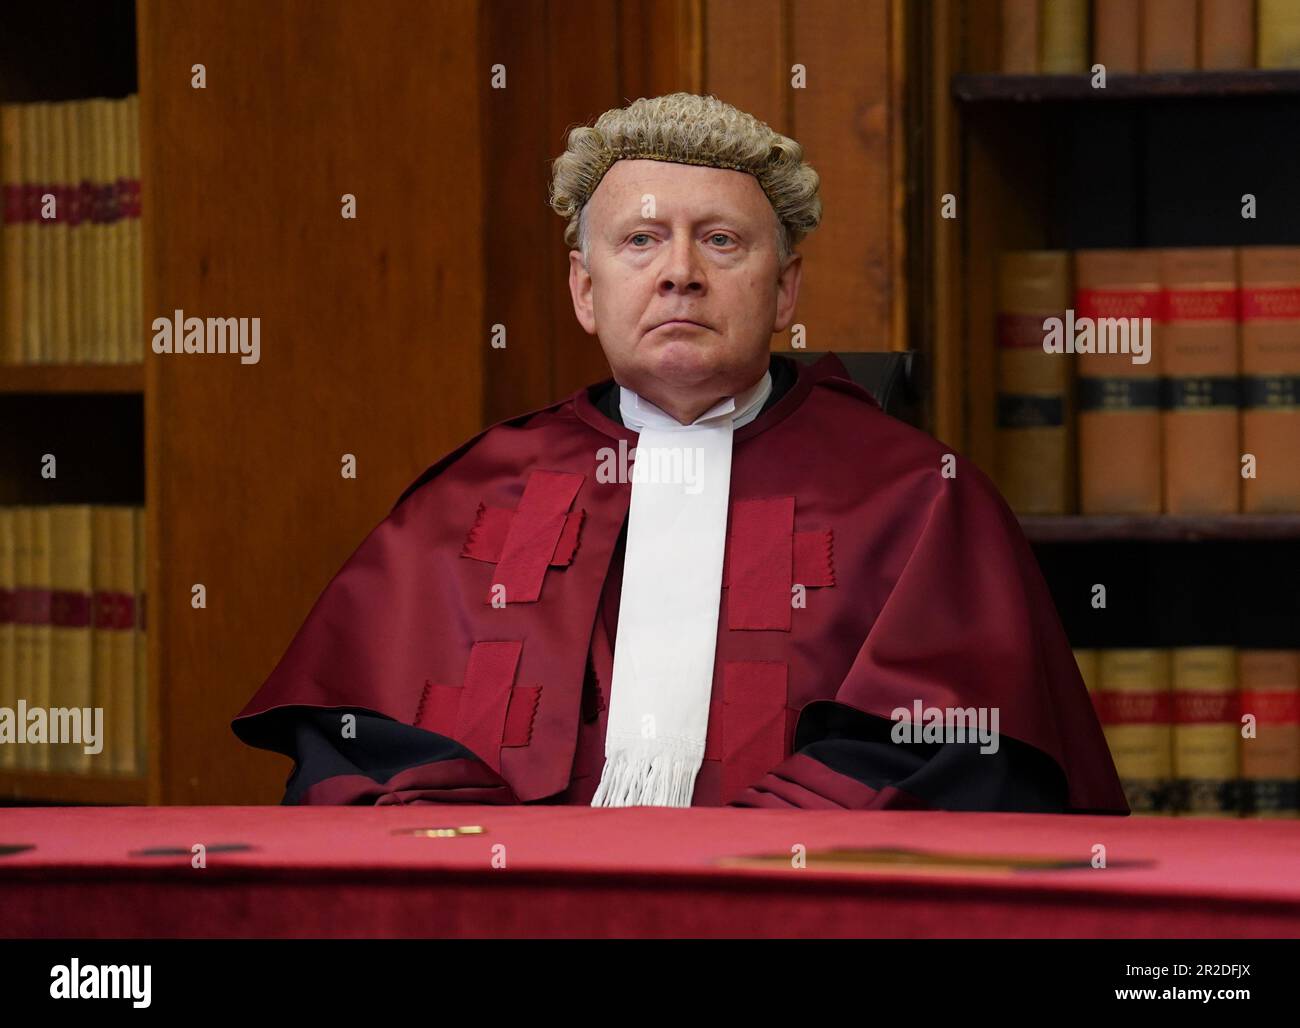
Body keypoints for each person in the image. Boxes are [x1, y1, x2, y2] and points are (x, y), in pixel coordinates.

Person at [232, 92, 1128, 813]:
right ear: (586, 289)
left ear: (784, 291)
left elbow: (952, 751)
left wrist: (741, 871)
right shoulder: (475, 493)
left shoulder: (916, 497)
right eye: (641, 241)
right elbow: (366, 744)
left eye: (723, 241)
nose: (680, 272)